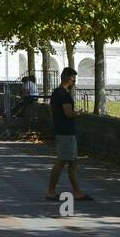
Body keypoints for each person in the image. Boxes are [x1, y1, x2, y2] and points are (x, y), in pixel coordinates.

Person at [46, 67, 92, 202]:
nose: (74, 83)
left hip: (60, 130)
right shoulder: (64, 94)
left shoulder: (55, 93)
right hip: (67, 132)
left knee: (72, 162)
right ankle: (50, 191)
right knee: (61, 161)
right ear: (67, 78)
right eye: (73, 79)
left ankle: (78, 192)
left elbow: (51, 110)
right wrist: (79, 113)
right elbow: (68, 113)